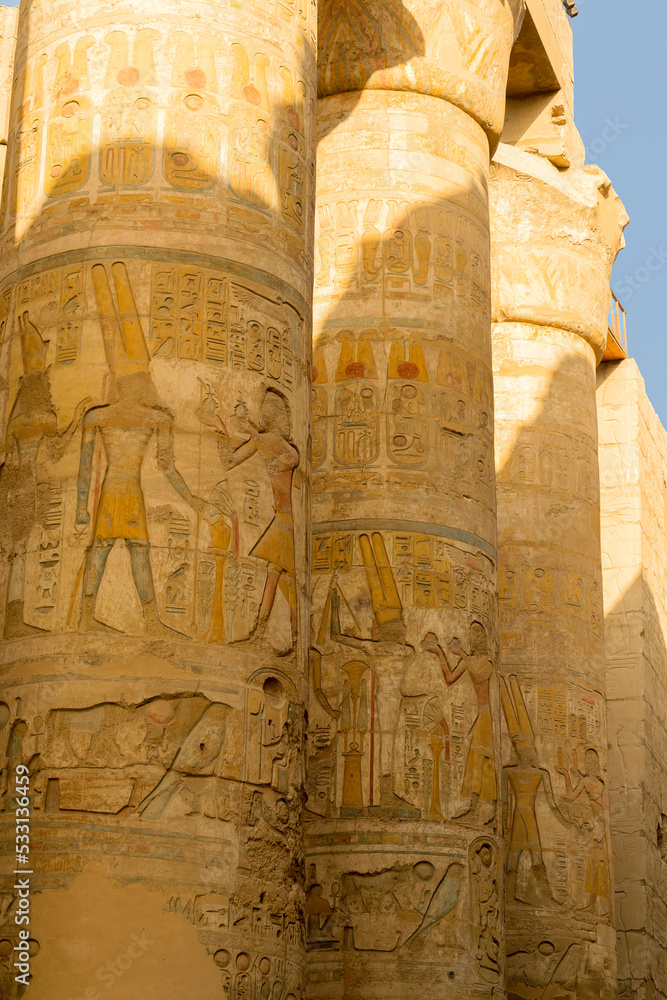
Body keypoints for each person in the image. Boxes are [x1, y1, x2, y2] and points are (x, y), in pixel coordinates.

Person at [423, 622, 495, 823]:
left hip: (487, 713)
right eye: (470, 634)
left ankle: (485, 804)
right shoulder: (468, 660)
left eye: (473, 635)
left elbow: (481, 677)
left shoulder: (487, 661)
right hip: (479, 715)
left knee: (483, 757)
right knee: (476, 757)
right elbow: (449, 678)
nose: (470, 638)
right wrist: (440, 654)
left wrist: (463, 655)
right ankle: (473, 802)